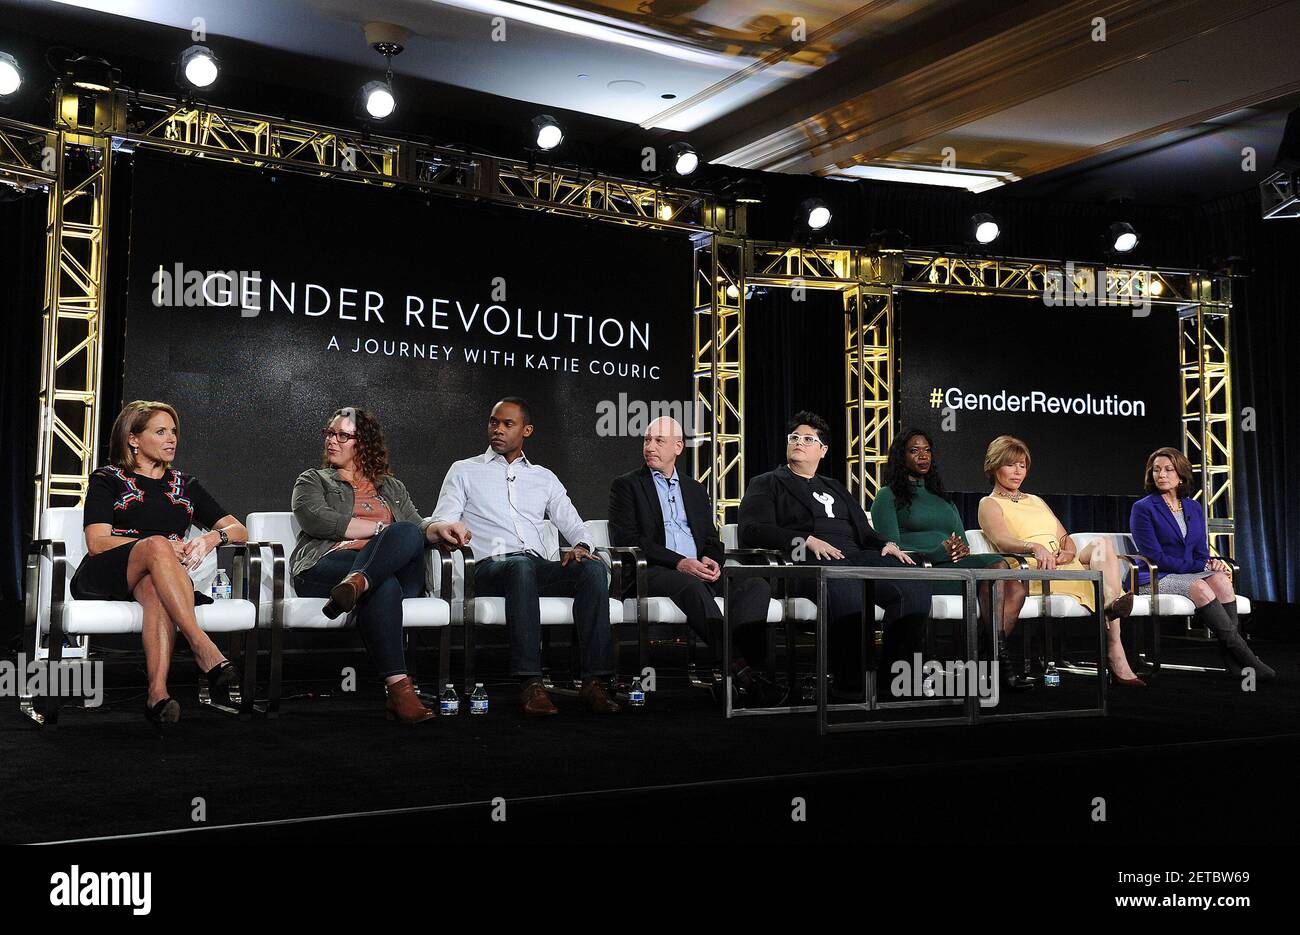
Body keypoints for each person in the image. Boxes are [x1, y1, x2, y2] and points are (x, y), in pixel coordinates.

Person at [428, 397, 621, 716]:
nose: (497, 430)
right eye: (493, 422)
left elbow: (573, 522)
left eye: (507, 424)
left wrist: (582, 547)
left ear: (526, 430)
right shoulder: (464, 470)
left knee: (592, 570)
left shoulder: (543, 477)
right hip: (490, 567)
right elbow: (442, 517)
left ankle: (594, 682)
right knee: (518, 566)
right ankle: (531, 682)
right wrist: (450, 528)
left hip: (533, 566)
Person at [71, 400, 248, 725]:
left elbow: (240, 530)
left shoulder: (185, 484)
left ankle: (157, 695)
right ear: (133, 439)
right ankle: (201, 644)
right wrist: (161, 546)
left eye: (174, 432)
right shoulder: (107, 478)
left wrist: (212, 539)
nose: (172, 439)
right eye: (161, 431)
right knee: (156, 546)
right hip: (106, 573)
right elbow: (97, 543)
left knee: (155, 586)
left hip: (159, 578)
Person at [738, 410, 931, 699]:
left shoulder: (835, 486)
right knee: (843, 579)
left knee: (912, 580)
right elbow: (752, 531)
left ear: (823, 450)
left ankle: (895, 677)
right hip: (802, 559)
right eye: (794, 438)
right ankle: (849, 681)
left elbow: (864, 532)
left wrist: (886, 544)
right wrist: (806, 540)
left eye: (807, 439)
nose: (798, 443)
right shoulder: (767, 482)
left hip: (852, 555)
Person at [608, 416, 782, 706]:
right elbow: (628, 539)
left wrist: (711, 559)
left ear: (678, 447)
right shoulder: (627, 485)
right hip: (652, 571)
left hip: (697, 569)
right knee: (691, 585)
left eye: (659, 441)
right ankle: (743, 675)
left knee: (755, 586)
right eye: (647, 440)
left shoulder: (694, 489)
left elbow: (712, 539)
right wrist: (680, 562)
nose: (650, 446)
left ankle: (732, 671)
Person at [290, 406, 440, 724]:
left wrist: (439, 528)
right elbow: (317, 519)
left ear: (364, 443)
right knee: (382, 583)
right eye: (329, 433)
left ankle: (358, 582)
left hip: (386, 571)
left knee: (409, 533)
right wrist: (377, 530)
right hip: (328, 564)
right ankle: (401, 692)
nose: (332, 440)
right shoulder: (313, 480)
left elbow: (416, 528)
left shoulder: (391, 487)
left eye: (343, 435)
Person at [976, 435, 1145, 686]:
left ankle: (1111, 606)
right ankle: (1114, 644)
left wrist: (1067, 551)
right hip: (1032, 567)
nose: (1018, 471)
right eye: (1011, 464)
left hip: (1062, 562)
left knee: (1103, 545)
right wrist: (1034, 546)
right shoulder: (989, 503)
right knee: (1103, 583)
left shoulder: (1036, 500)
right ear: (994, 466)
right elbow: (1002, 541)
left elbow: (1066, 538)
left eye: (1022, 465)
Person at [871, 429, 1033, 690]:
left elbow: (964, 546)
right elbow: (891, 550)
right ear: (901, 456)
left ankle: (990, 661)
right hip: (921, 574)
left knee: (1012, 581)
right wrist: (937, 553)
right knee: (999, 569)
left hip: (955, 568)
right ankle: (996, 666)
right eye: (914, 450)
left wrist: (957, 550)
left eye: (927, 450)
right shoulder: (887, 497)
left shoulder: (944, 499)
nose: (923, 456)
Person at [1129, 447, 1273, 679]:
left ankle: (1233, 662)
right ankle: (1246, 657)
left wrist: (1210, 564)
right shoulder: (1143, 508)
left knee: (1223, 581)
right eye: (1156, 470)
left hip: (1186, 573)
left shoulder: (1193, 507)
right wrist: (1199, 568)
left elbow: (1200, 552)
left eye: (1168, 469)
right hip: (1153, 576)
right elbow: (1155, 557)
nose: (1161, 475)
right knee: (1200, 586)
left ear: (1181, 475)